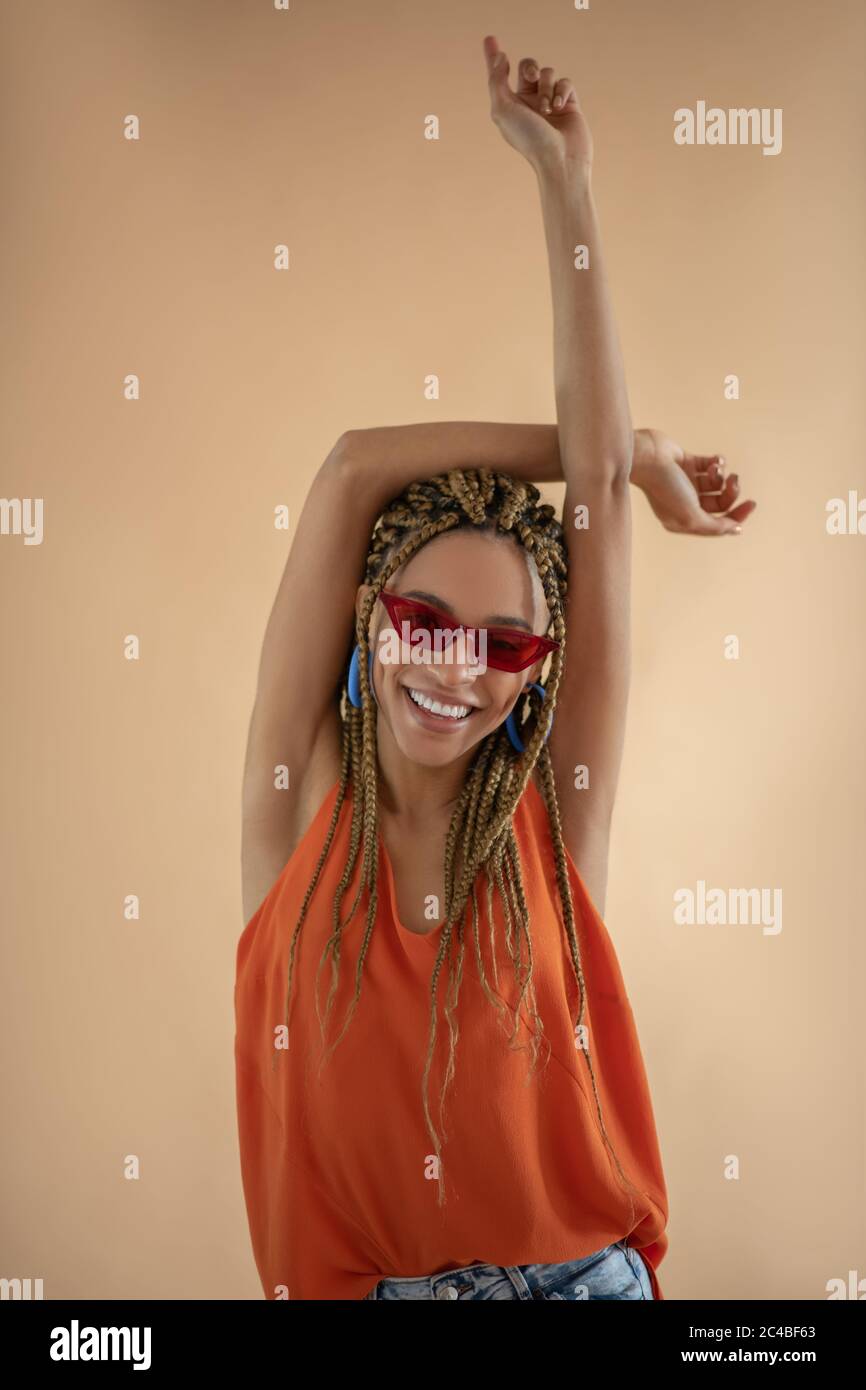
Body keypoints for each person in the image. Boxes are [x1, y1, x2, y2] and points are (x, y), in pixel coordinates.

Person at [234, 34, 756, 1303]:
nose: (454, 669)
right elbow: (354, 464)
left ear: (535, 671)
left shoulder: (551, 824)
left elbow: (579, 500)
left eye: (502, 643)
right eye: (421, 616)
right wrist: (630, 447)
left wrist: (564, 182)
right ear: (366, 617)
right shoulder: (292, 811)